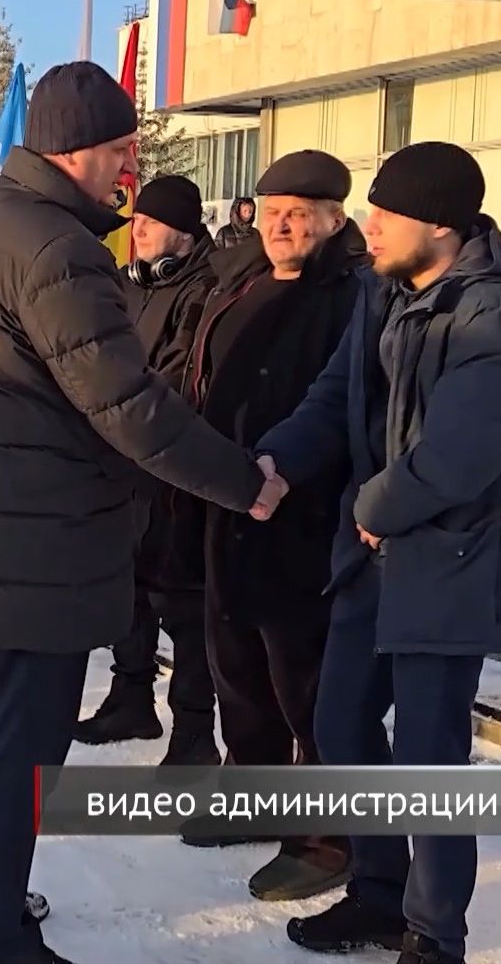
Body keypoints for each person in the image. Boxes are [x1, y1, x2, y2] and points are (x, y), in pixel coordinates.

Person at [0, 62, 285, 964]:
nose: (131, 167)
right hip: (42, 538)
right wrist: (244, 482)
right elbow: (125, 404)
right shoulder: (58, 248)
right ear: (75, 148)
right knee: (24, 742)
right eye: (123, 147)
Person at [262, 141, 501, 964]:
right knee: (341, 720)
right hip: (374, 561)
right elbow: (333, 397)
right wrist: (274, 461)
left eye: (388, 212)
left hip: (450, 565)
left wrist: (376, 505)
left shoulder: (489, 315)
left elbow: (465, 451)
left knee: (429, 756)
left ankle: (435, 934)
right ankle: (380, 892)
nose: (369, 223)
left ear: (442, 226)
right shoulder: (380, 294)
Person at [178, 151, 366, 902]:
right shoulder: (241, 283)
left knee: (306, 679)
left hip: (308, 515)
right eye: (272, 211)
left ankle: (326, 837)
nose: (281, 226)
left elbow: (344, 409)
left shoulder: (352, 297)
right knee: (235, 660)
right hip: (228, 505)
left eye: (299, 214)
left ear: (334, 220)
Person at [75, 175, 222, 761]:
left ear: (183, 233)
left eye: (151, 223)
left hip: (175, 470)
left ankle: (194, 732)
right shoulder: (130, 282)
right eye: (136, 220)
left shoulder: (206, 290)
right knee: (128, 589)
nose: (136, 231)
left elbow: (179, 377)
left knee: (184, 606)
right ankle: (131, 699)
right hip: (123, 464)